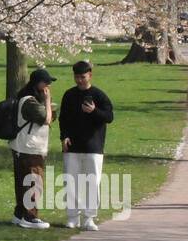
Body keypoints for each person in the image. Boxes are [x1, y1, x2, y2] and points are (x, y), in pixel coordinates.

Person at [58, 60, 115, 230]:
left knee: (92, 182)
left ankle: (89, 218)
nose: (80, 80)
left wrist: (94, 111)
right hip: (72, 145)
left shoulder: (99, 95)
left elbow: (109, 117)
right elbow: (63, 119)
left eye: (82, 77)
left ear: (90, 75)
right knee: (71, 181)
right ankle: (72, 216)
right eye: (77, 77)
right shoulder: (69, 95)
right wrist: (64, 136)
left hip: (93, 146)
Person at [10, 68, 57, 230]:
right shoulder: (29, 102)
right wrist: (48, 100)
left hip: (23, 147)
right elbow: (46, 118)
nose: (48, 87)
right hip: (30, 148)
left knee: (23, 182)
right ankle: (30, 216)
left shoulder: (28, 99)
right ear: (37, 83)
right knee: (34, 182)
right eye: (46, 83)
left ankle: (19, 214)